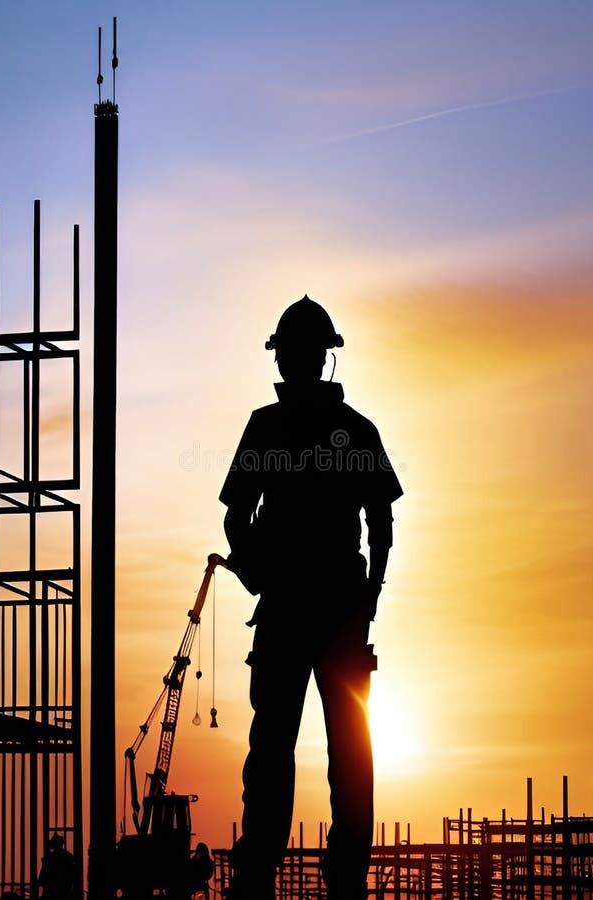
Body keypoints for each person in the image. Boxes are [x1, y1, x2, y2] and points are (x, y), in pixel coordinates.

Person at [219, 295, 403, 900]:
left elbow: (236, 519)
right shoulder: (352, 431)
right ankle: (339, 880)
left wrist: (256, 573)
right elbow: (381, 525)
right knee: (339, 751)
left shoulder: (268, 428)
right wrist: (370, 594)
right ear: (325, 357)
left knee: (278, 750)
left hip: (297, 610)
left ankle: (260, 878)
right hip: (335, 611)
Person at [37, 833, 76, 900]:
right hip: (65, 892)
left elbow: (42, 879)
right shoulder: (69, 857)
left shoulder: (49, 858)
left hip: (50, 892)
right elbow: (73, 877)